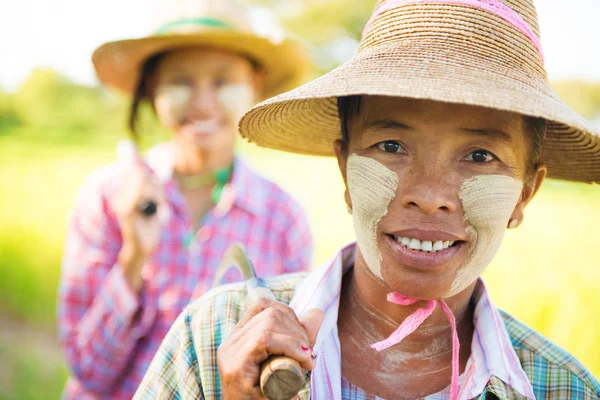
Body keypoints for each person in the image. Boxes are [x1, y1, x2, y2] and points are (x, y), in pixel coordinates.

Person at [135, 0, 600, 399]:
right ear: (344, 169)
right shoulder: (213, 338)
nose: (429, 195)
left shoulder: (561, 387)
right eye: (392, 147)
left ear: (524, 193)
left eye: (480, 155)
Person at [57, 1, 313, 398]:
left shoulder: (281, 217)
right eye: (180, 81)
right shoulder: (107, 197)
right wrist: (133, 259)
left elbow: (290, 367)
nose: (203, 103)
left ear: (255, 85)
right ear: (152, 88)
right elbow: (89, 371)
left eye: (223, 80)